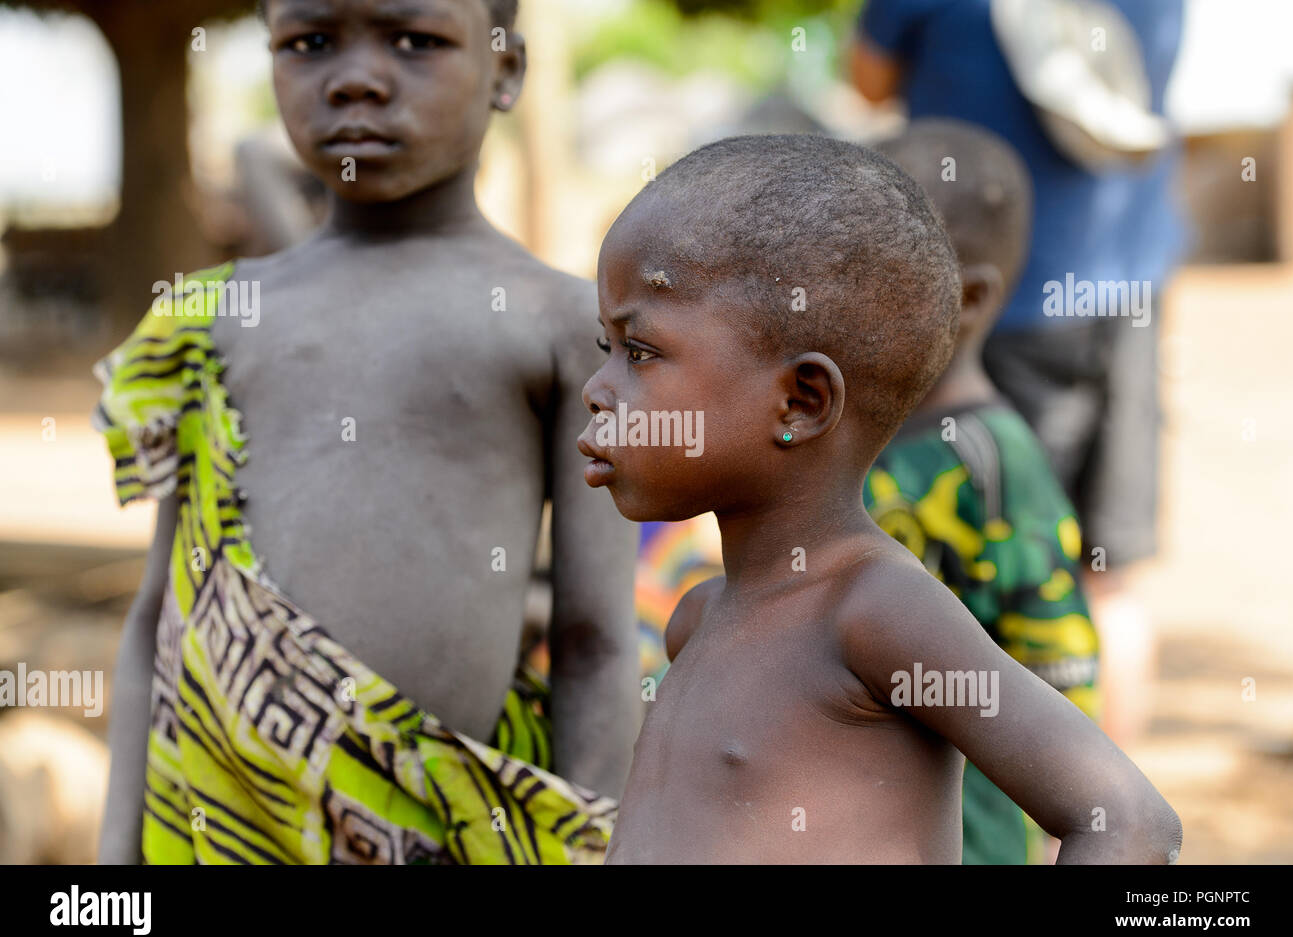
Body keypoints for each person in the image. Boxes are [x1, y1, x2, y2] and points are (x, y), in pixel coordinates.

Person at [94, 0, 638, 865]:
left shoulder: (561, 323)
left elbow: (596, 641)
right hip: (212, 828)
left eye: (416, 41)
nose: (355, 79)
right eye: (309, 43)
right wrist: (115, 863)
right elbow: (160, 612)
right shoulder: (213, 318)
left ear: (505, 70)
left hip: (443, 833)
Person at [582, 134, 1181, 864]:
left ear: (801, 400)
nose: (598, 388)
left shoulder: (876, 611)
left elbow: (1126, 817)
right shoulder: (697, 620)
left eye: (638, 351)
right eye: (603, 347)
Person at [850, 0, 1186, 746]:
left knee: (975, 573)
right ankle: (1097, 814)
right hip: (1129, 287)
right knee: (1111, 569)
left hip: (998, 309)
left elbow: (867, 79)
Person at [863, 119, 1100, 864]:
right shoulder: (854, 436)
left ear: (964, 298)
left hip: (967, 836)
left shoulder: (993, 465)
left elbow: (1061, 669)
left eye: (864, 273)